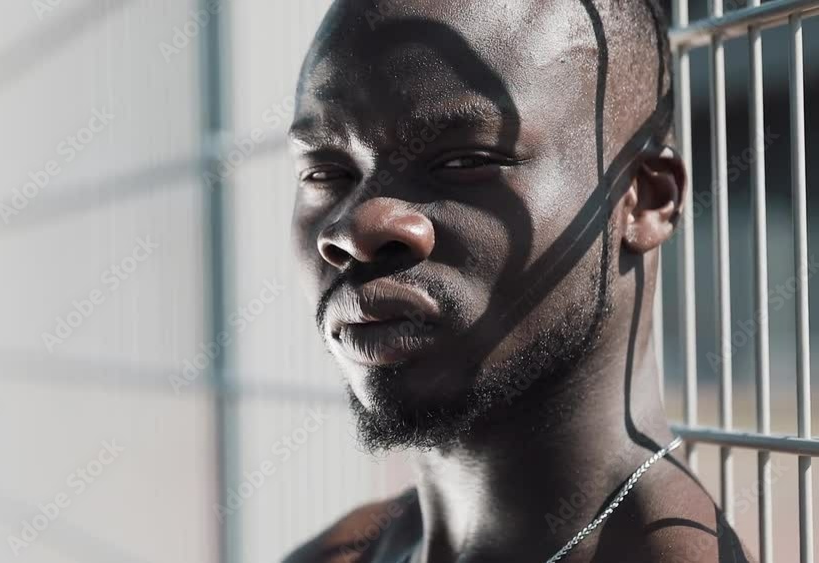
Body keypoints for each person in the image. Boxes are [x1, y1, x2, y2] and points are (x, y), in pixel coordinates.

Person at [283, 0, 750, 561]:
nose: (355, 229)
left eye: (461, 161)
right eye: (326, 172)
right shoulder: (354, 547)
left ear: (645, 199)